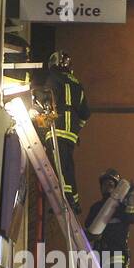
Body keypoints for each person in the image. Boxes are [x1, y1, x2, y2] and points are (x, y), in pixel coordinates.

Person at [32, 51, 91, 213]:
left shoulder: (53, 78)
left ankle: (66, 198)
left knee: (59, 163)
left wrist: (37, 109)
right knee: (68, 164)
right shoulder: (77, 84)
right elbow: (86, 113)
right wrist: (76, 128)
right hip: (71, 131)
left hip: (58, 127)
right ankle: (75, 199)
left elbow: (47, 100)